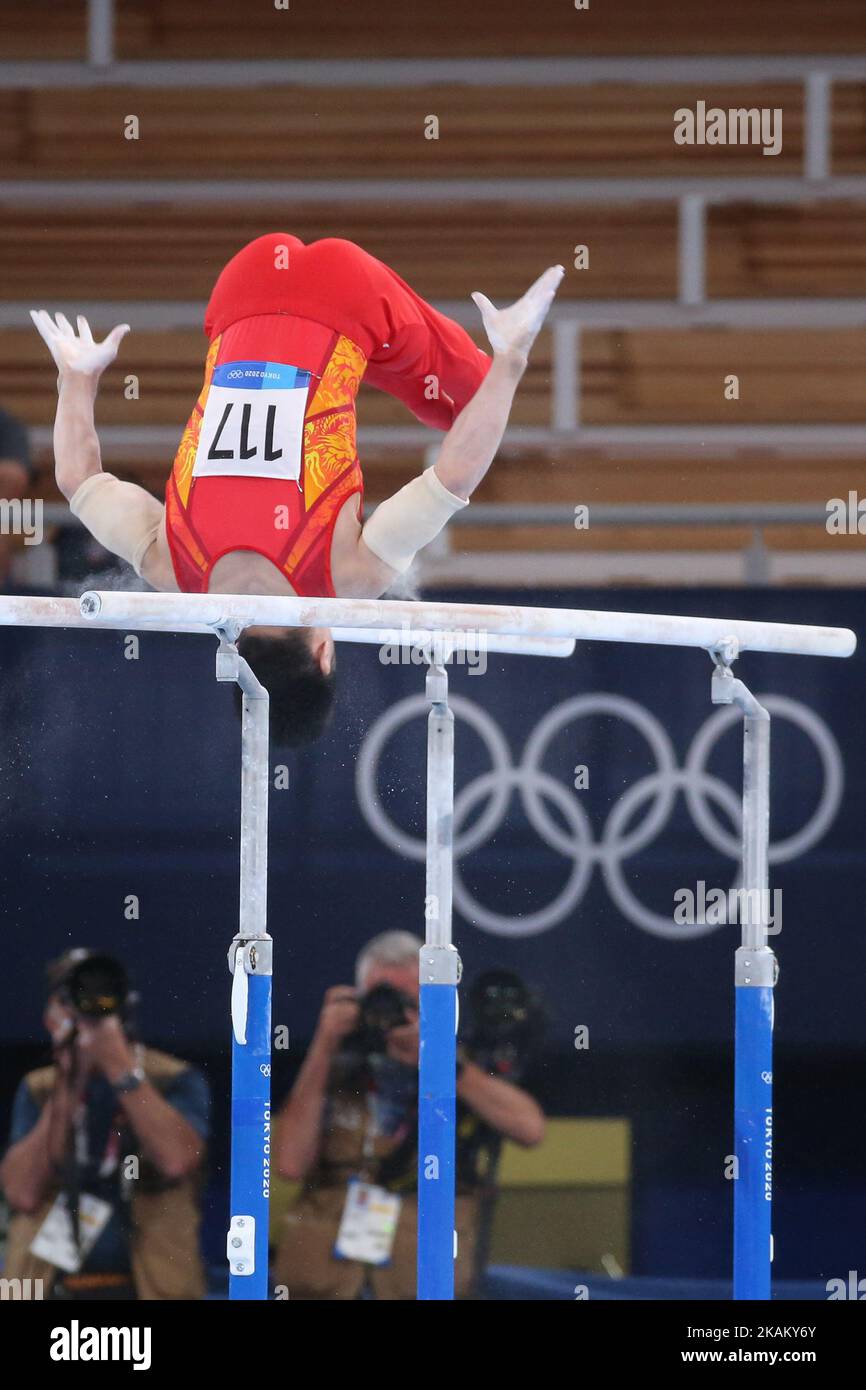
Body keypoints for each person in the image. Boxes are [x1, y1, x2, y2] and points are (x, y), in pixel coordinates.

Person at [30, 236, 563, 745]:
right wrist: (77, 379)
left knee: (475, 397)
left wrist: (511, 360)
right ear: (233, 658)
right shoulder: (172, 568)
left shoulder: (348, 576)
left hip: (347, 291)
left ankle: (491, 358)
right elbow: (80, 481)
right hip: (238, 289)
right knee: (436, 391)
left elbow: (454, 477)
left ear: (325, 653)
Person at [272, 930, 545, 1299]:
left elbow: (530, 1128)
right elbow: (288, 1164)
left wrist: (439, 1062)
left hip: (418, 1279)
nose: (398, 1016)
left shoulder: (460, 1069)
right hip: (325, 1279)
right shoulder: (337, 1068)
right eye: (384, 1001)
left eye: (413, 1003)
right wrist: (324, 1044)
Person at [0, 949, 210, 1300]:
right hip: (45, 1286)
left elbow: (176, 1160)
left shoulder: (173, 1079)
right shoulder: (39, 1088)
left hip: (156, 1285)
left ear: (125, 1004)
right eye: (76, 996)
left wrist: (118, 1066)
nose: (89, 1005)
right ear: (53, 1013)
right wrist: (69, 1082)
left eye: (102, 992)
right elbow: (21, 1192)